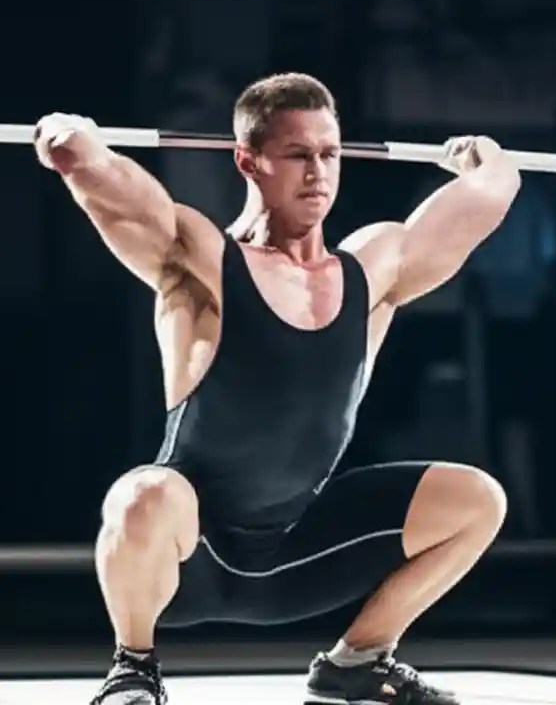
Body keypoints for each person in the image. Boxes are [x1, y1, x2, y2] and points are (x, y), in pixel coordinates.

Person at [33, 72, 516, 705]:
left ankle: (358, 663)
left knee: (477, 500)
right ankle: (134, 669)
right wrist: (75, 143)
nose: (318, 172)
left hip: (301, 552)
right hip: (191, 560)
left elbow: (489, 197)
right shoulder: (201, 260)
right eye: (297, 154)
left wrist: (488, 161)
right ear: (248, 160)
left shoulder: (373, 268)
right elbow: (110, 189)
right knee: (139, 495)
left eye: (329, 153)